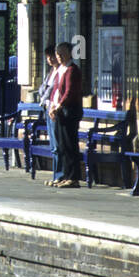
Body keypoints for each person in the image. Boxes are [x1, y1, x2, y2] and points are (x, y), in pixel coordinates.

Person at [47, 42, 83, 188]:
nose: (59, 57)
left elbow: (69, 92)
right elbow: (55, 90)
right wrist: (52, 106)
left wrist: (59, 106)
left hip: (69, 111)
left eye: (62, 54)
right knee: (61, 145)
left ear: (69, 53)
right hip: (59, 111)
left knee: (70, 145)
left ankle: (73, 178)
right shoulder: (60, 70)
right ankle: (64, 176)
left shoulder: (72, 70)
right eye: (57, 54)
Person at [34, 46, 61, 185]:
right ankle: (56, 175)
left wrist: (44, 97)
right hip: (47, 107)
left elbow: (50, 90)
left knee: (57, 144)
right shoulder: (51, 72)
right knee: (53, 145)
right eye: (48, 57)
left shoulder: (60, 72)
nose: (50, 59)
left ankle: (59, 175)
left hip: (54, 109)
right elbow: (42, 88)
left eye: (52, 56)